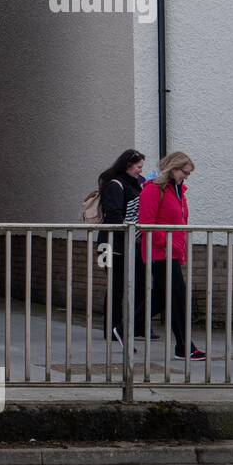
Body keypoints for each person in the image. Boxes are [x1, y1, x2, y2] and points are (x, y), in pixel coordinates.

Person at [137, 151, 204, 360]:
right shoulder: (153, 190)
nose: (187, 176)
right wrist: (166, 243)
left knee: (162, 298)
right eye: (185, 172)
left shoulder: (178, 191)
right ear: (173, 169)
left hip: (172, 252)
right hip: (160, 253)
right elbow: (146, 224)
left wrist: (177, 247)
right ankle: (184, 347)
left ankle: (124, 328)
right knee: (178, 298)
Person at [97, 149, 145, 348]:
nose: (140, 171)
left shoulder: (136, 184)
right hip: (110, 244)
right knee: (116, 286)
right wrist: (130, 228)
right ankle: (114, 327)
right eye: (138, 166)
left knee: (124, 285)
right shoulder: (115, 185)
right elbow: (114, 214)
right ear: (128, 165)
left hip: (126, 243)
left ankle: (116, 327)